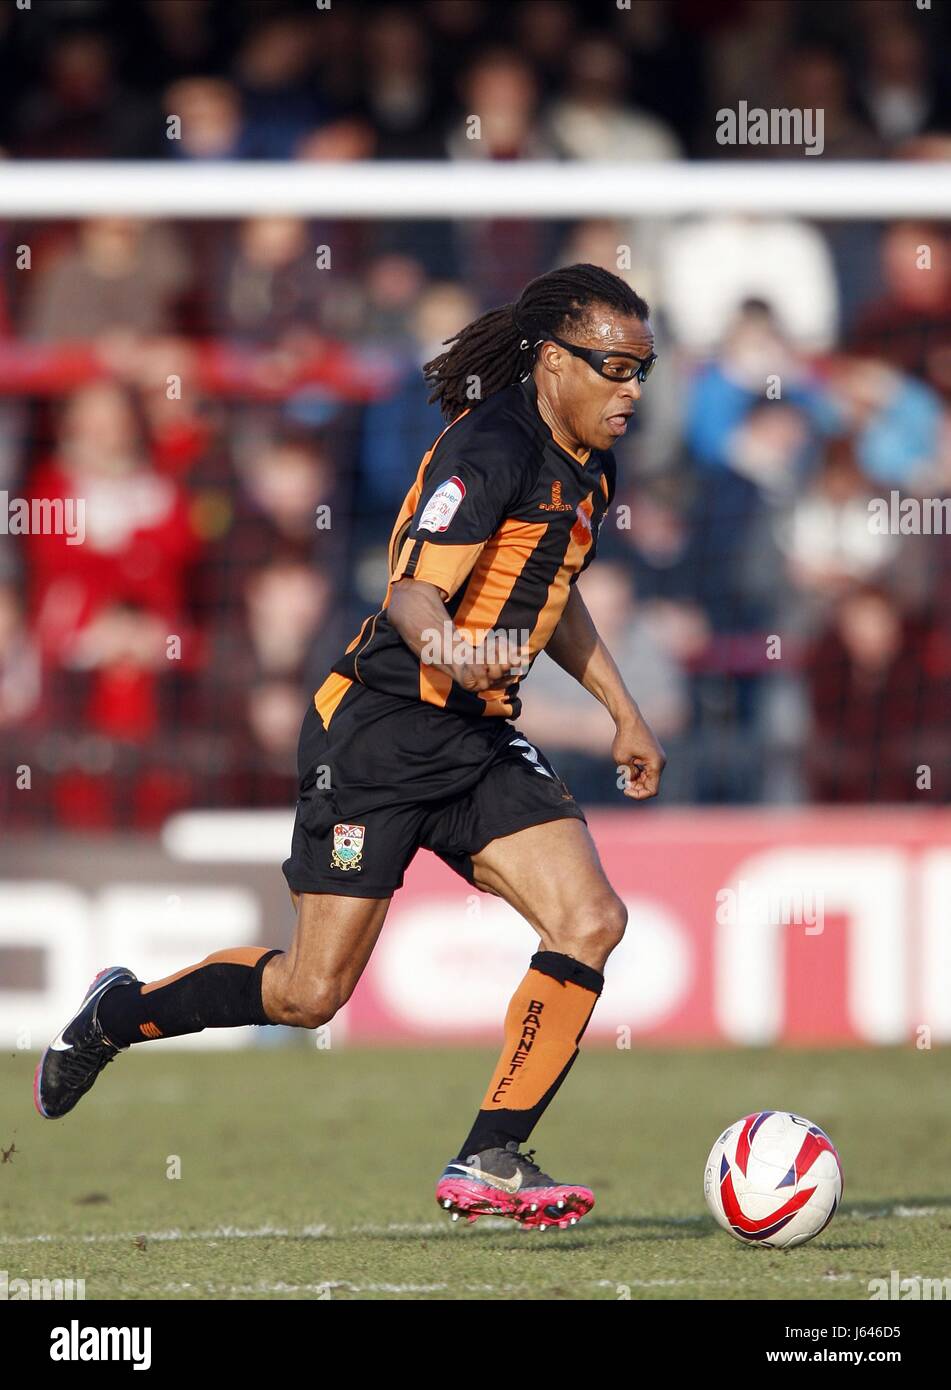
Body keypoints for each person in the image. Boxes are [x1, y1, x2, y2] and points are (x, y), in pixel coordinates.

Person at [35, 263, 666, 1232]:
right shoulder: (487, 449)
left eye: (643, 372)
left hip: (477, 736)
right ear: (550, 362)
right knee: (308, 993)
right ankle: (114, 1014)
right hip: (379, 732)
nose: (631, 391)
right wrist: (453, 647)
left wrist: (622, 708)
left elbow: (554, 587)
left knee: (590, 920)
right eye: (615, 368)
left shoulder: (591, 464)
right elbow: (410, 592)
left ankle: (490, 1153)